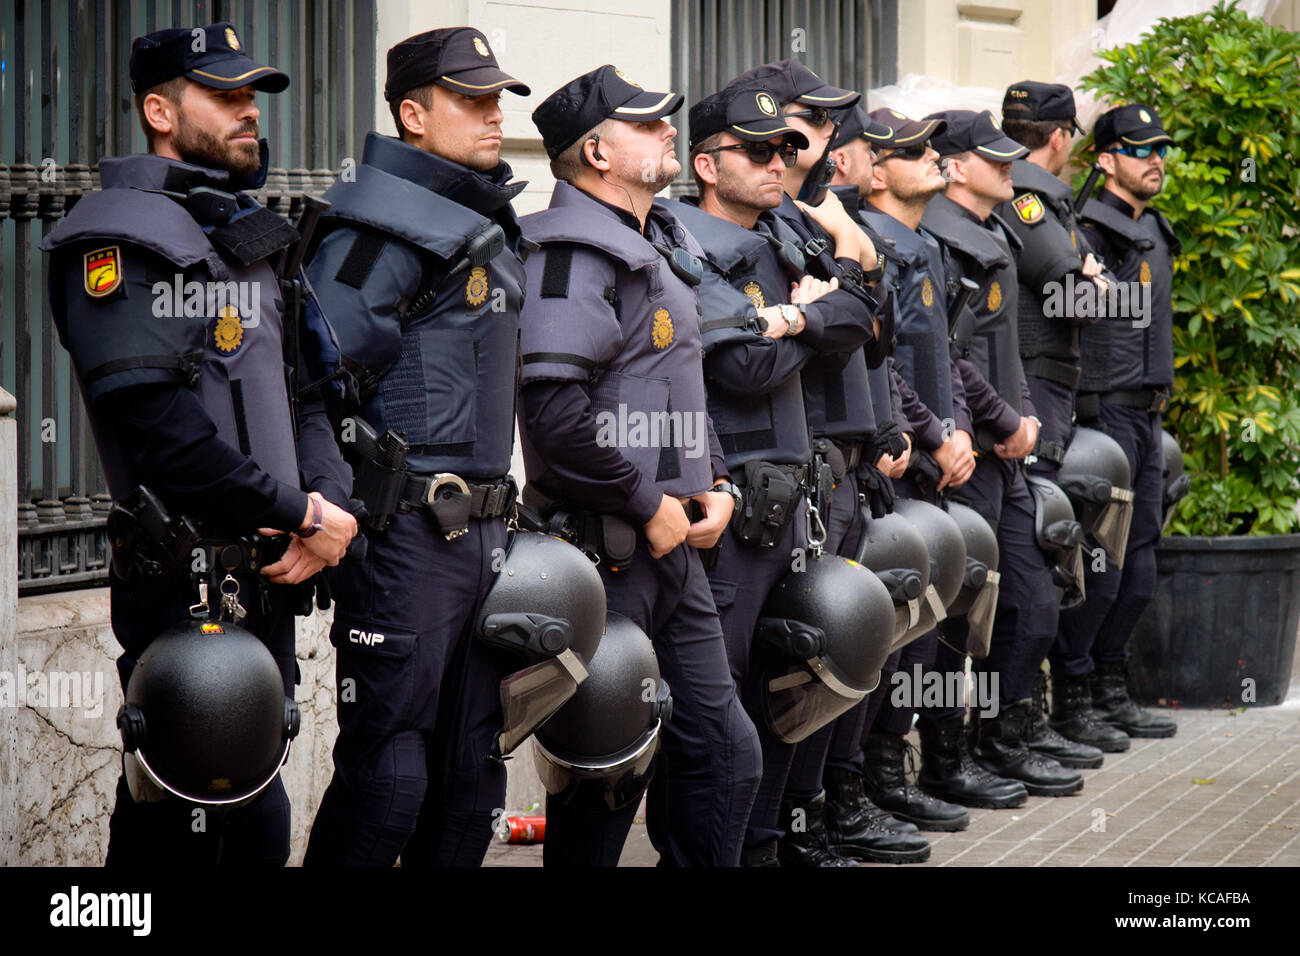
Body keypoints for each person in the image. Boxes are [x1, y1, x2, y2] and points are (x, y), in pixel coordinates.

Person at [41, 22, 356, 866]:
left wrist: (328, 511)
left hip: (271, 576)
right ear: (160, 110)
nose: (248, 112)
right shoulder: (111, 241)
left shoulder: (241, 234)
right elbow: (163, 435)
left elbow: (302, 395)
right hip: (182, 582)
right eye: (224, 94)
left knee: (255, 815)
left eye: (252, 95)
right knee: (178, 815)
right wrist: (296, 509)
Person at [662, 83, 914, 865]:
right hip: (733, 506)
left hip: (802, 495)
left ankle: (768, 846)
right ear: (705, 163)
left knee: (792, 689)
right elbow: (742, 363)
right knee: (724, 707)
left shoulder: (788, 231)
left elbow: (866, 321)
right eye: (759, 151)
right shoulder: (684, 239)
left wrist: (802, 314)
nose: (781, 163)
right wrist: (817, 317)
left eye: (787, 149)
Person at [300, 27, 533, 867]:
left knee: (472, 777)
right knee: (390, 778)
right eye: (470, 99)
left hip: (486, 536)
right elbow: (316, 380)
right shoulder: (378, 225)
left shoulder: (480, 219)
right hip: (403, 539)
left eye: (497, 98)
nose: (493, 115)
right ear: (412, 114)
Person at [518, 65, 762, 867]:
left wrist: (714, 479)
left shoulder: (658, 238)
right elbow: (556, 417)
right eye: (648, 124)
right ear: (595, 151)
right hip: (605, 556)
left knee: (722, 751)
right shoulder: (568, 252)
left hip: (671, 548)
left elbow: (675, 385)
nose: (669, 133)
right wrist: (648, 501)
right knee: (607, 769)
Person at [918, 109, 1085, 798]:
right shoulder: (939, 240)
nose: (1008, 166)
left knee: (1029, 601)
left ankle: (1004, 733)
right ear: (954, 167)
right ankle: (946, 759)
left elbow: (1003, 345)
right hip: (969, 451)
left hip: (1006, 446)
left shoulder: (993, 227)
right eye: (992, 158)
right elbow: (949, 358)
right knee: (957, 615)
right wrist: (1001, 419)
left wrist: (1022, 418)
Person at [998, 80, 1120, 762]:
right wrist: (1094, 280)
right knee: (1032, 567)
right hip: (1034, 391)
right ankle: (1008, 731)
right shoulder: (1031, 197)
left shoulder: (1025, 194)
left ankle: (1016, 723)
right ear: (1060, 136)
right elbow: (1075, 297)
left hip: (1038, 390)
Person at [1059, 104, 1181, 741]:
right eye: (1139, 150)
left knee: (1139, 563)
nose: (1154, 159)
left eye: (1160, 148)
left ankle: (1110, 684)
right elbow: (1066, 317)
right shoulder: (1085, 230)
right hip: (1103, 412)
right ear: (1105, 161)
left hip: (1146, 413)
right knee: (1098, 562)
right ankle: (1073, 694)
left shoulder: (1153, 227)